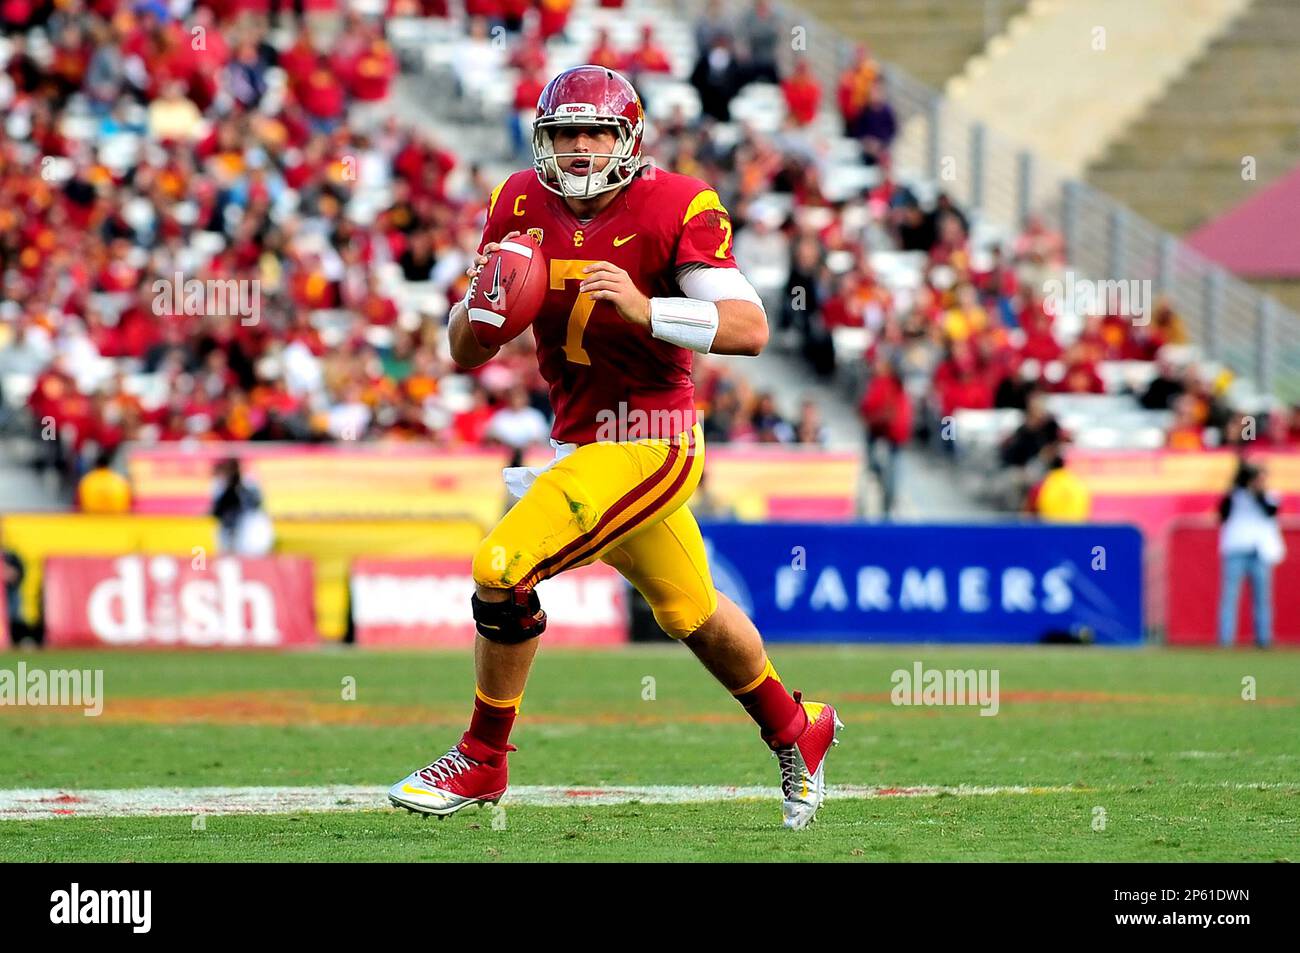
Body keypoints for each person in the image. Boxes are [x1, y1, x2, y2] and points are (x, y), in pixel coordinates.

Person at [388, 66, 842, 830]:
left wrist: (645, 307)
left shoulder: (676, 204)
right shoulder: (516, 203)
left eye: (596, 131)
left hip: (653, 436)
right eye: (566, 132)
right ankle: (799, 725)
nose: (580, 146)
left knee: (502, 567)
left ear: (629, 138)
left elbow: (750, 328)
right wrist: (485, 310)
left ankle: (483, 757)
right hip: (579, 442)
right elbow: (463, 348)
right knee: (690, 610)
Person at [1217, 460, 1284, 648]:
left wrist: (1258, 493)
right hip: (1236, 550)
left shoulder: (1269, 496)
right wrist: (1234, 486)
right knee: (1230, 597)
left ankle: (1264, 639)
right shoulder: (1235, 496)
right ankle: (1225, 640)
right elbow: (1222, 513)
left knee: (1262, 598)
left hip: (1259, 552)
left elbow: (1270, 511)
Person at [211, 458, 275, 557]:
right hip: (230, 532)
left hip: (250, 530)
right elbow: (217, 510)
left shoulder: (249, 483)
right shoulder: (220, 485)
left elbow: (255, 504)